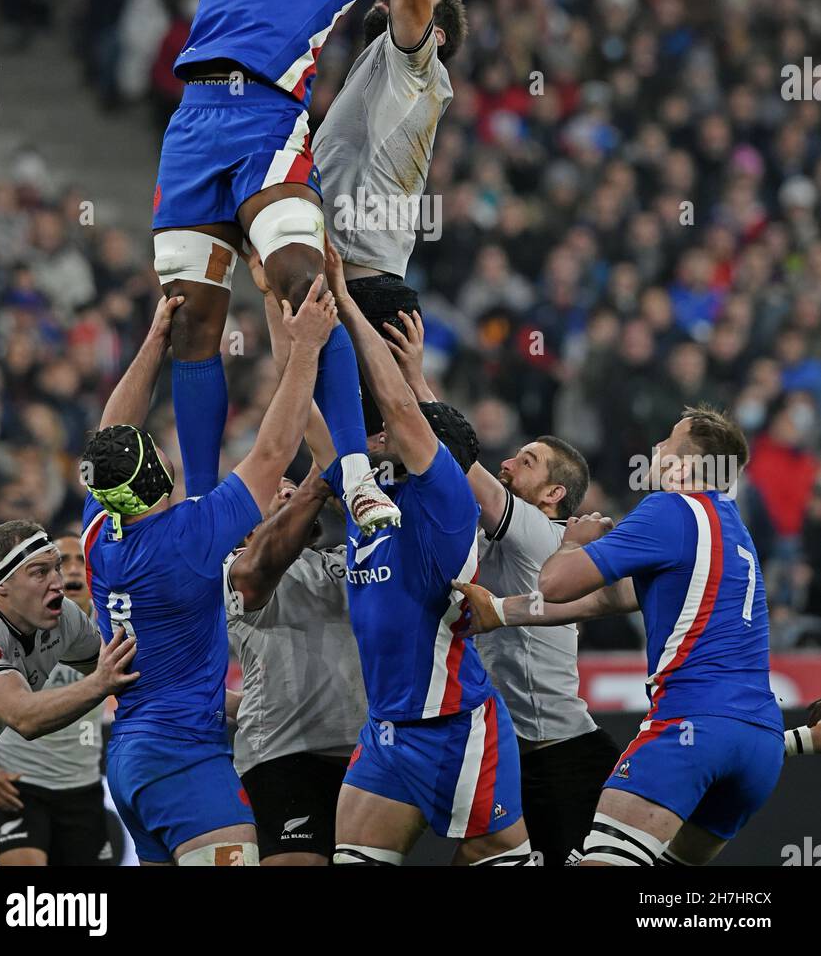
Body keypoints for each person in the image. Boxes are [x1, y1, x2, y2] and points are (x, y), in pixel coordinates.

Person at [151, 0, 427, 536]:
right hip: (193, 117)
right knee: (190, 317)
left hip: (269, 116)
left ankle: (354, 477)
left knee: (302, 281)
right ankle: (202, 501)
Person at [79, 281, 336, 866]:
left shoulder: (101, 531)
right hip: (182, 758)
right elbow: (273, 453)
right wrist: (306, 350)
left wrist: (153, 344)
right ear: (158, 478)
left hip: (131, 760)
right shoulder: (187, 540)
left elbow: (109, 436)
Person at [316, 244, 532, 866]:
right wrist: (297, 330)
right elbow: (312, 424)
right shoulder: (371, 494)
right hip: (385, 732)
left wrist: (351, 309)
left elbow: (407, 415)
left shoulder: (446, 503)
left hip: (455, 730)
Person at [384, 308, 621, 866]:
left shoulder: (540, 533)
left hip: (562, 755)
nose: (511, 460)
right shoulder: (497, 536)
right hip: (507, 748)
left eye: (530, 461)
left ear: (554, 495)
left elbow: (457, 461)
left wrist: (415, 380)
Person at [534, 406, 785, 866]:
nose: (656, 448)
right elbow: (613, 597)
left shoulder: (670, 509)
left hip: (692, 723)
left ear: (685, 466)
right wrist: (501, 612)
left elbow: (554, 585)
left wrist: (574, 540)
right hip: (760, 743)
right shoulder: (735, 529)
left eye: (668, 440)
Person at [312, 0, 467, 431]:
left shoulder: (417, 67)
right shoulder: (380, 66)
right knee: (336, 472)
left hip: (368, 297)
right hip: (341, 286)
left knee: (374, 470)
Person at [0, 520, 136, 853]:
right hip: (18, 782)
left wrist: (218, 700)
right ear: (1, 583)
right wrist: (100, 683)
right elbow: (24, 717)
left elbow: (127, 671)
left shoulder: (64, 617)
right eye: (40, 572)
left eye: (57, 567)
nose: (58, 581)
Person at [225, 468, 367, 867]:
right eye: (277, 490)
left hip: (362, 756)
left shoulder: (345, 562)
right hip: (282, 755)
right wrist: (317, 484)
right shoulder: (234, 568)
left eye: (294, 487)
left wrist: (352, 492)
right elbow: (260, 570)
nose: (290, 492)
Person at [0, 533, 110, 866]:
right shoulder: (6, 625)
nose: (73, 570)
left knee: (84, 914)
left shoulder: (111, 628)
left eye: (82, 561)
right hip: (19, 787)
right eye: (61, 563)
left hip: (83, 789)